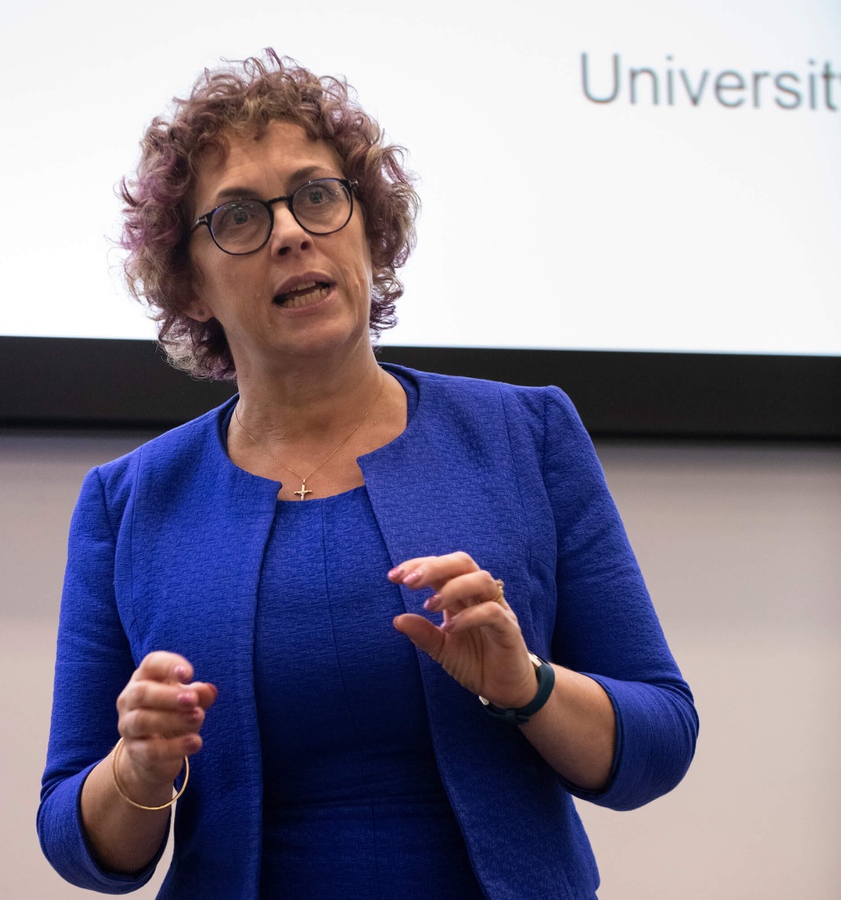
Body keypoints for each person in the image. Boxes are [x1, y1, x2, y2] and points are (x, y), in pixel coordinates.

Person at [38, 50, 698, 898]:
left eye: (317, 195)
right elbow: (75, 840)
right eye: (238, 216)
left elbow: (661, 740)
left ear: (368, 228)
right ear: (190, 284)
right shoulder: (127, 503)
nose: (290, 232)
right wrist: (135, 771)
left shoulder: (526, 435)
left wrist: (526, 685)